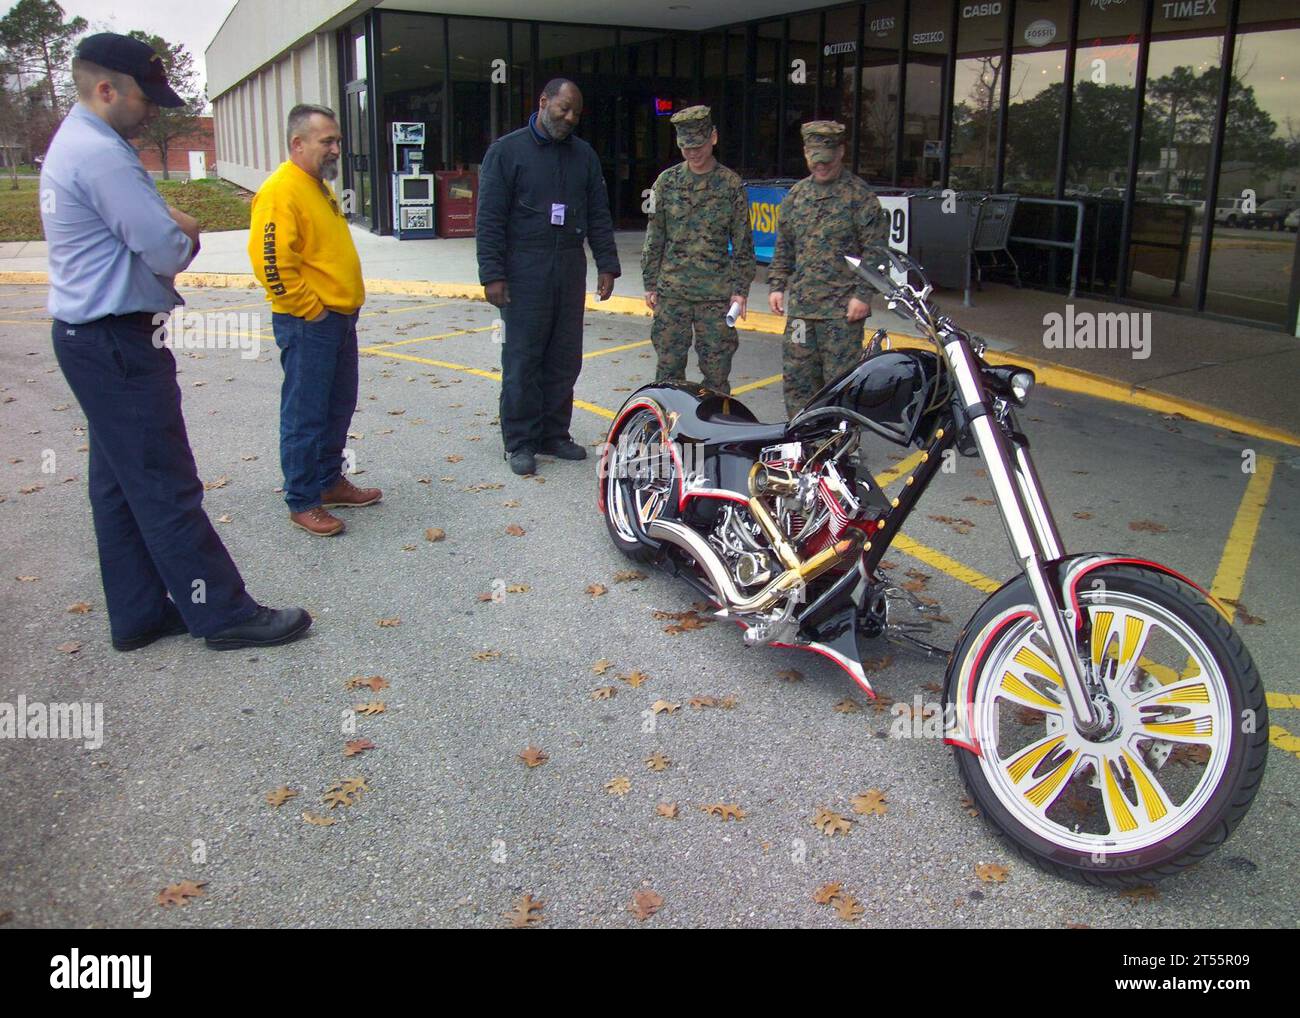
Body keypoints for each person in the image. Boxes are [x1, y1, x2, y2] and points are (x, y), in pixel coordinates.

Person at [40, 33, 310, 651]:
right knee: (164, 481)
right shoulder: (102, 154)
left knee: (118, 483)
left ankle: (138, 614)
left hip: (92, 340)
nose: (154, 111)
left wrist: (165, 223)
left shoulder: (78, 143)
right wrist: (184, 229)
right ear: (106, 89)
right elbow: (166, 245)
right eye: (145, 97)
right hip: (116, 343)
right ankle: (223, 614)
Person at [476, 78, 621, 476]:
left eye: (576, 112)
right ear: (543, 102)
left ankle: (554, 434)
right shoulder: (506, 152)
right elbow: (489, 218)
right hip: (524, 268)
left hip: (568, 266)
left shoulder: (583, 156)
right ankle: (520, 441)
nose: (570, 118)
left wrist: (606, 263)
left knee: (564, 357)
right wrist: (492, 274)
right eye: (563, 109)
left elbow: (598, 212)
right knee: (523, 357)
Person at [249, 104, 380, 536]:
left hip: (338, 321)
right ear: (297, 143)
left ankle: (328, 483)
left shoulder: (316, 186)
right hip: (310, 323)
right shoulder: (281, 191)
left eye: (337, 141)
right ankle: (303, 498)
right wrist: (312, 309)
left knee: (337, 406)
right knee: (306, 414)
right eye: (327, 141)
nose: (336, 149)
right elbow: (271, 263)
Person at [768, 121, 887, 419]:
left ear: (841, 152)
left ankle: (842, 449)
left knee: (841, 384)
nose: (820, 166)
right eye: (814, 159)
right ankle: (801, 444)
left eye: (827, 159)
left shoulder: (859, 197)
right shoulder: (796, 196)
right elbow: (785, 245)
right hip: (802, 311)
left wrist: (863, 295)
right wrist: (777, 284)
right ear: (806, 153)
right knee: (798, 382)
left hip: (841, 312)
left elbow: (876, 250)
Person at [641, 105, 754, 393]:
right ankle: (668, 432)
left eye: (698, 145)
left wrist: (740, 291)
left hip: (715, 296)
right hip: (672, 293)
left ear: (713, 138)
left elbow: (743, 243)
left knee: (716, 375)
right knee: (668, 372)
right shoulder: (666, 183)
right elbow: (655, 236)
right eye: (686, 147)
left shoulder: (730, 185)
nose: (693, 152)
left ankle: (715, 432)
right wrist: (649, 282)